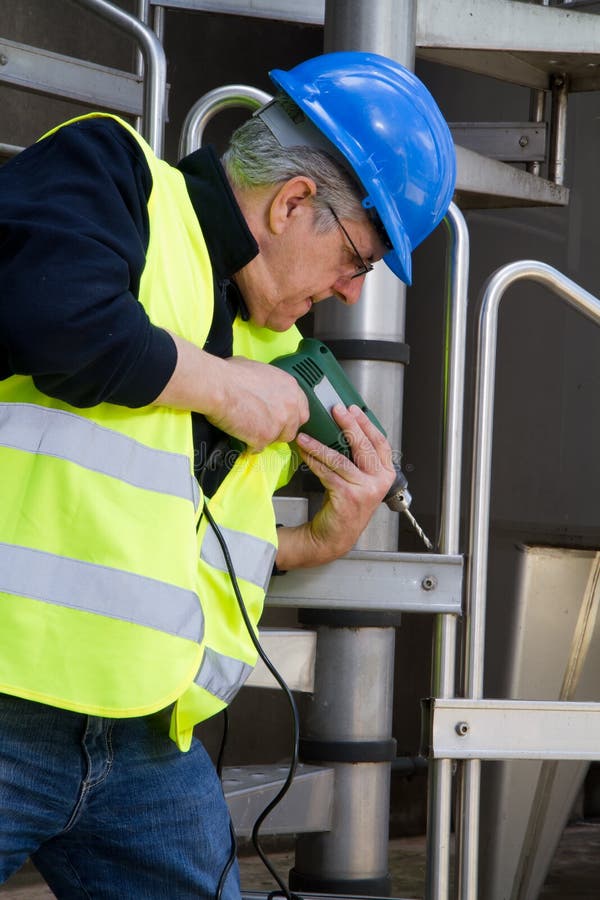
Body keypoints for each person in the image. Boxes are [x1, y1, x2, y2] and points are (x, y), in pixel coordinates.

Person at [0, 51, 455, 898]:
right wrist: (222, 387)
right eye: (357, 259)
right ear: (293, 202)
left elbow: (164, 532)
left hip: (147, 744)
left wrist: (309, 543)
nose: (352, 294)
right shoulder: (112, 174)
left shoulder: (279, 349)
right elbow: (55, 319)